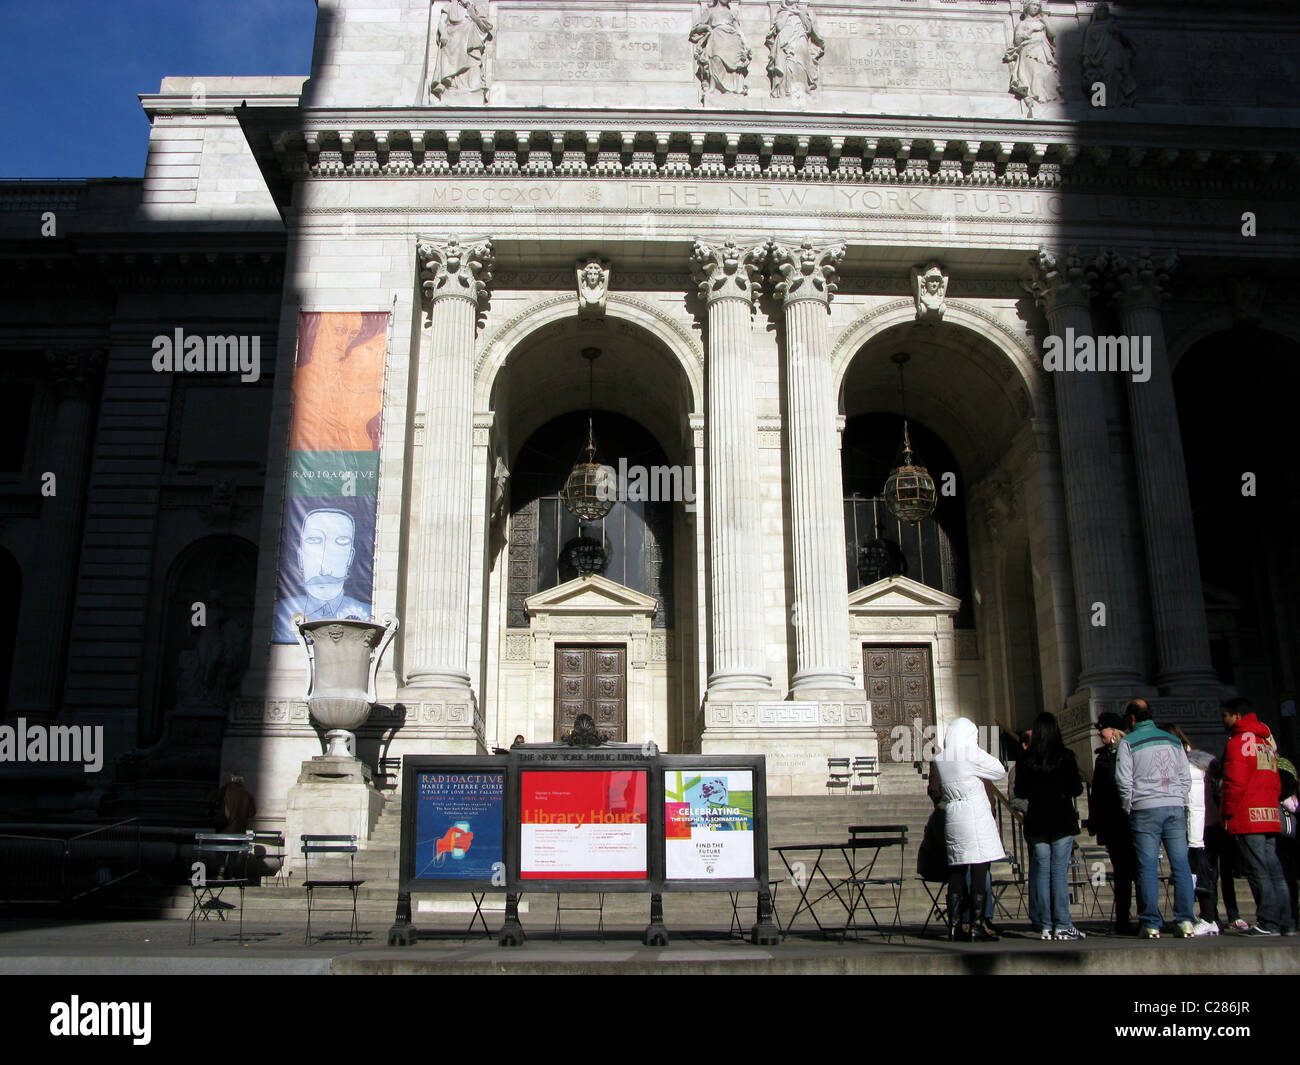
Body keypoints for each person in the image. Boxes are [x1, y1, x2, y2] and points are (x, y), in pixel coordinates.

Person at [1116, 699, 1196, 938]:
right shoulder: (1173, 740)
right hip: (1173, 805)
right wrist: (1177, 797)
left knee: (1147, 867)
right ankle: (1185, 921)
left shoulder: (1128, 742)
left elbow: (1123, 780)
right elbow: (1185, 775)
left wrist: (1129, 805)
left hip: (1145, 807)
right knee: (1181, 865)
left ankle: (1151, 923)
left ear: (1131, 719)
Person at [1220, 697, 1294, 935]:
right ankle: (1287, 921)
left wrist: (1227, 812)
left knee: (1258, 870)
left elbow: (1234, 783)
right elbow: (1275, 780)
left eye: (1226, 715)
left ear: (1236, 716)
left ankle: (1267, 921)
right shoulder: (1265, 742)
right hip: (1269, 813)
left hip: (1247, 814)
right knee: (1275, 870)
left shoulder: (1237, 742)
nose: (1224, 719)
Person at [931, 718, 1006, 942]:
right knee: (980, 869)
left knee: (957, 870)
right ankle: (976, 925)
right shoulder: (970, 754)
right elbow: (999, 770)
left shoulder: (941, 758)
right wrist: (976, 751)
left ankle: (954, 927)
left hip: (954, 816)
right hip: (975, 815)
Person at [1014, 712, 1086, 940]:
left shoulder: (1025, 760)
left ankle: (1046, 924)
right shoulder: (1065, 756)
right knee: (1058, 873)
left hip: (1038, 818)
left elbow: (1020, 792)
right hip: (1061, 818)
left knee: (1042, 873)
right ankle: (1062, 923)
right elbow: (1076, 788)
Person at [1085, 711, 1136, 934]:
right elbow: (1097, 795)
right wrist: (1095, 823)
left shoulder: (1132, 752)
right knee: (1122, 873)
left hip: (1133, 820)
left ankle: (1147, 917)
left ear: (1114, 730)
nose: (1099, 732)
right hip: (1114, 823)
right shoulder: (1103, 758)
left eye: (1102, 728)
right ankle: (1123, 920)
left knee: (1140, 871)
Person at [1173, 726, 1221, 935]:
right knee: (1206, 874)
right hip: (1209, 824)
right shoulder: (1202, 764)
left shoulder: (1188, 767)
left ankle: (1208, 918)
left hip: (1198, 829)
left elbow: (1193, 805)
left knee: (1200, 874)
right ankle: (1211, 916)